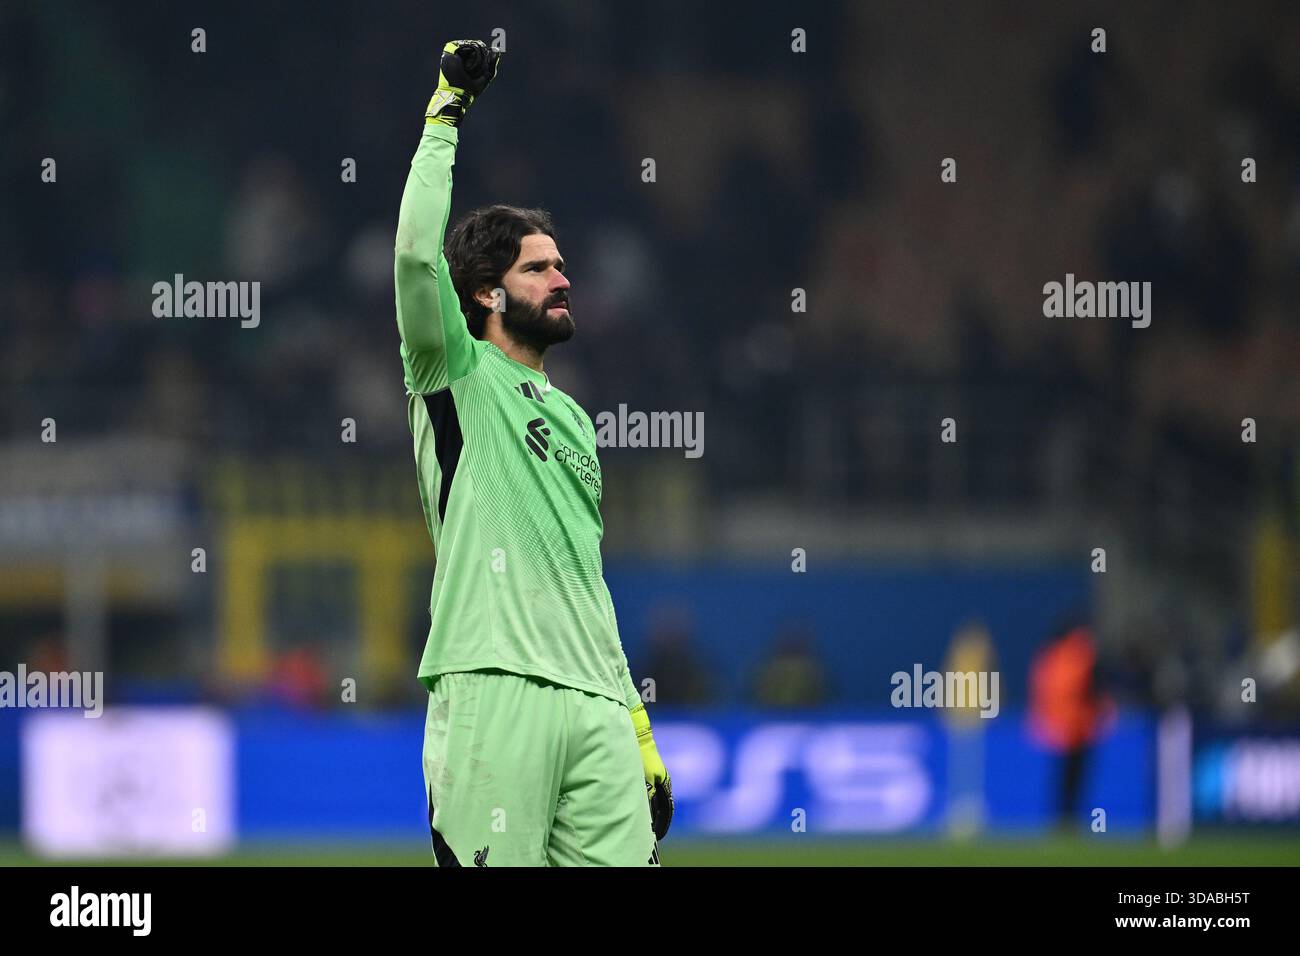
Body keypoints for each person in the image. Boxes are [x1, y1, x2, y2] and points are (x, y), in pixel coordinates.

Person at [393, 40, 670, 866]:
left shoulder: (579, 422)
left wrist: (638, 727)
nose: (563, 279)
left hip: (596, 707)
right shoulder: (453, 370)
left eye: (562, 265)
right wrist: (446, 110)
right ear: (485, 293)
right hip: (492, 683)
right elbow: (413, 256)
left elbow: (587, 582)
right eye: (539, 268)